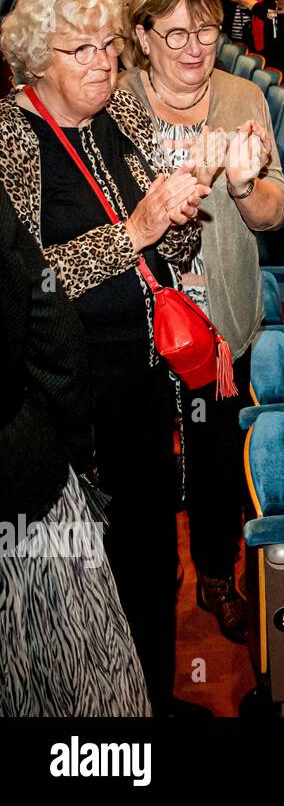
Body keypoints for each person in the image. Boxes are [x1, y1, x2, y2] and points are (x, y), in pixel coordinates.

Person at [0, 0, 209, 712]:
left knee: (154, 559)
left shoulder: (120, 113)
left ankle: (153, 698)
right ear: (33, 58)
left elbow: (164, 256)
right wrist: (136, 233)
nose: (102, 62)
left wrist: (177, 223)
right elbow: (21, 287)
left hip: (147, 379)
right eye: (78, 48)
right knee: (92, 575)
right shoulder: (10, 141)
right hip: (69, 403)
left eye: (109, 45)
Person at [124, 0, 284, 644]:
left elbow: (273, 214)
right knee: (143, 463)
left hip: (221, 319)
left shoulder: (241, 93)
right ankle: (148, 579)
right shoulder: (118, 103)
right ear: (142, 36)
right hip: (140, 322)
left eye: (208, 30)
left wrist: (246, 185)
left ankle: (217, 576)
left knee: (218, 454)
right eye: (178, 33)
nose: (196, 48)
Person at [0, 180, 151, 717]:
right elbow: (45, 299)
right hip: (27, 472)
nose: (104, 86)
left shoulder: (123, 117)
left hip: (134, 385)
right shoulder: (13, 137)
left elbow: (181, 245)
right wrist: (70, 442)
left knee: (145, 552)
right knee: (64, 672)